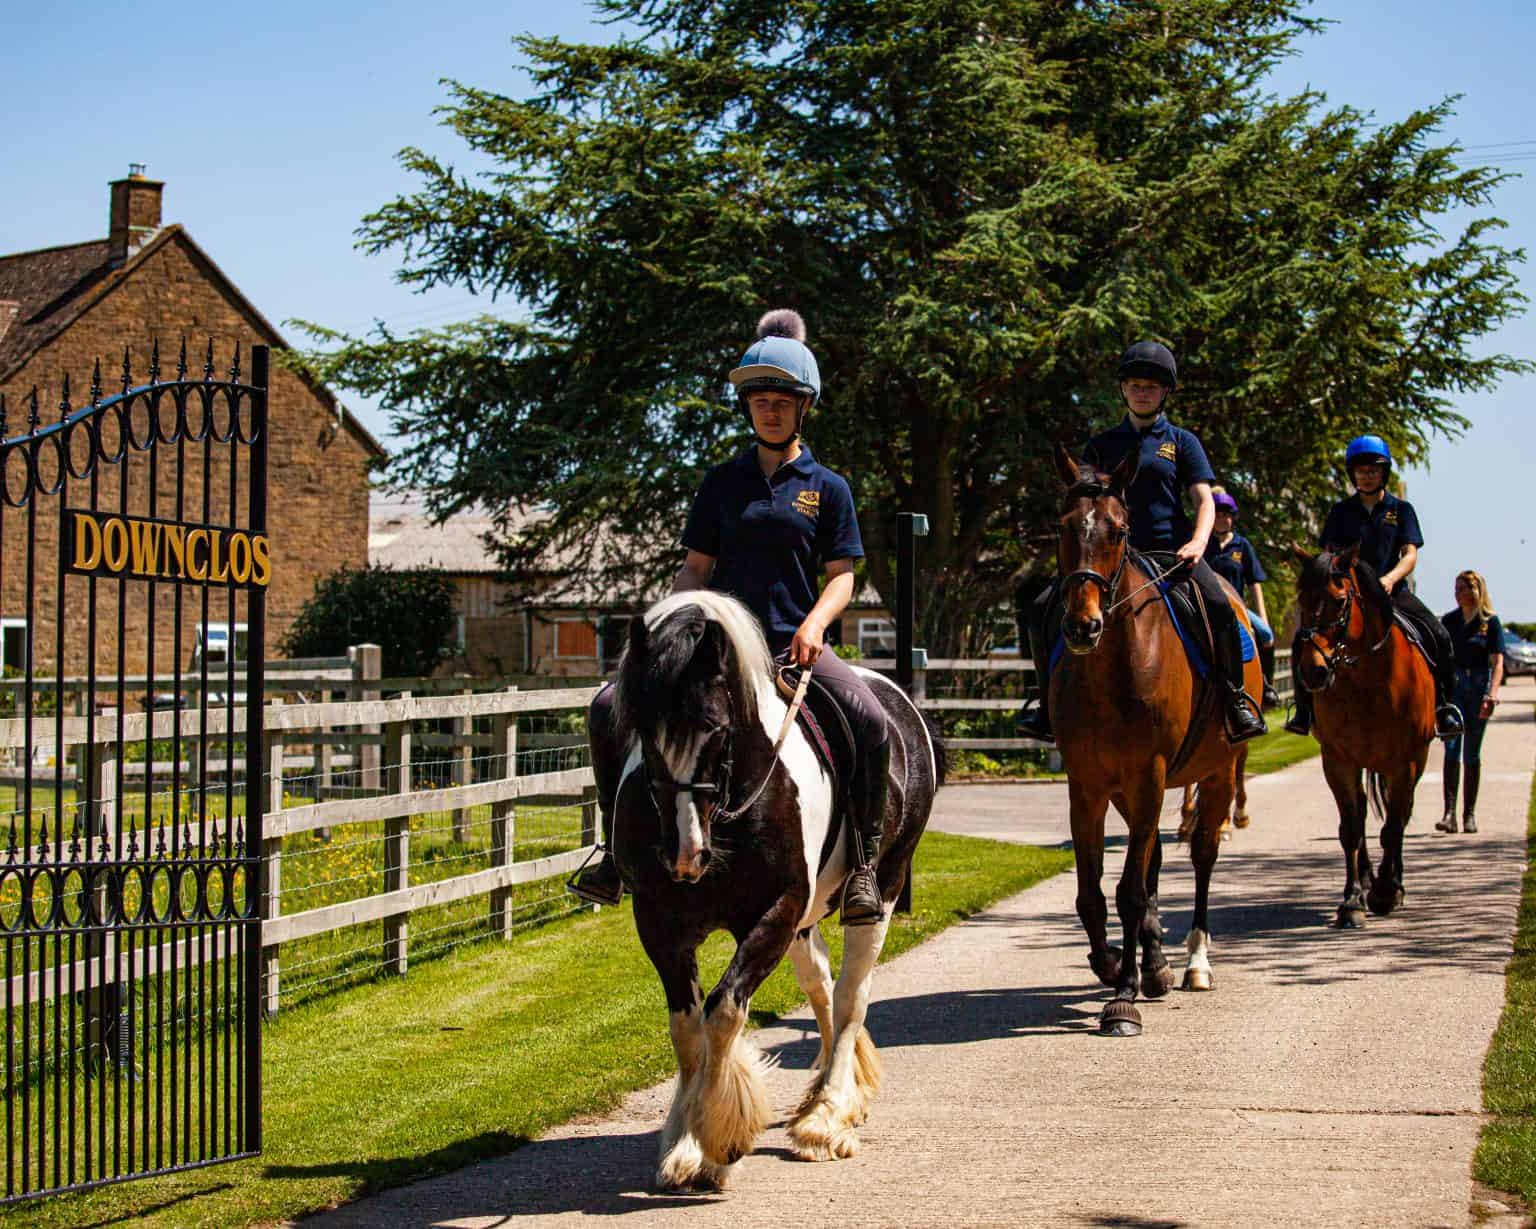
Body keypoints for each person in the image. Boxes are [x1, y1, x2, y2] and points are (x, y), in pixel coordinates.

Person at [569, 309, 891, 924]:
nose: (769, 411)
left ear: (804, 408)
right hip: (716, 654)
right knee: (609, 705)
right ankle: (613, 854)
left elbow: (843, 575)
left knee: (869, 718)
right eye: (759, 400)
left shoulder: (828, 487)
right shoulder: (722, 483)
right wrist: (670, 620)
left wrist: (815, 624)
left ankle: (865, 869)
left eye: (782, 401)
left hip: (794, 648)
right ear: (747, 407)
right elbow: (696, 567)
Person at [1018, 341, 1267, 745]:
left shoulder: (1182, 442)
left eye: (1150, 386)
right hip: (1110, 558)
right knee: (1043, 606)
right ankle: (1046, 707)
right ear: (1123, 389)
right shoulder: (1101, 444)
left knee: (1220, 605)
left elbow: (1204, 498)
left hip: (1172, 554)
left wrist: (1199, 543)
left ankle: (1235, 700)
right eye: (1134, 385)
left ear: (1165, 391)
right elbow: (1087, 501)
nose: (1142, 392)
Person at [1284, 435, 1464, 740]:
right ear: (1352, 474)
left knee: (1441, 635)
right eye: (1361, 470)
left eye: (1373, 469)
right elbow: (1329, 555)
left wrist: (1390, 579)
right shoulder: (1340, 512)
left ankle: (1444, 708)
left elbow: (1410, 554)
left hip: (1391, 592)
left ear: (1384, 473)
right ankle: (1304, 712)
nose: (1367, 475)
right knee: (1305, 640)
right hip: (1347, 595)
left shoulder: (1401, 510)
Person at [1435, 571, 1504, 834]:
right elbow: (1441, 658)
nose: (1457, 593)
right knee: (1451, 749)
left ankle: (1469, 814)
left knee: (1471, 753)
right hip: (1455, 691)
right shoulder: (1450, 621)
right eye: (1455, 588)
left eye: (1462, 588)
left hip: (1478, 690)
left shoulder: (1490, 623)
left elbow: (1497, 662)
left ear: (1475, 590)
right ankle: (1449, 813)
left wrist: (1492, 694)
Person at [1204, 489, 1282, 710]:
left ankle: (1266, 686)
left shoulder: (1242, 545)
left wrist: (1263, 617)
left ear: (1233, 517)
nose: (1222, 519)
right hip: (1208, 606)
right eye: (1217, 514)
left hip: (1237, 609)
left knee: (1266, 635)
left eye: (1226, 514)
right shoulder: (1204, 544)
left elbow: (1254, 583)